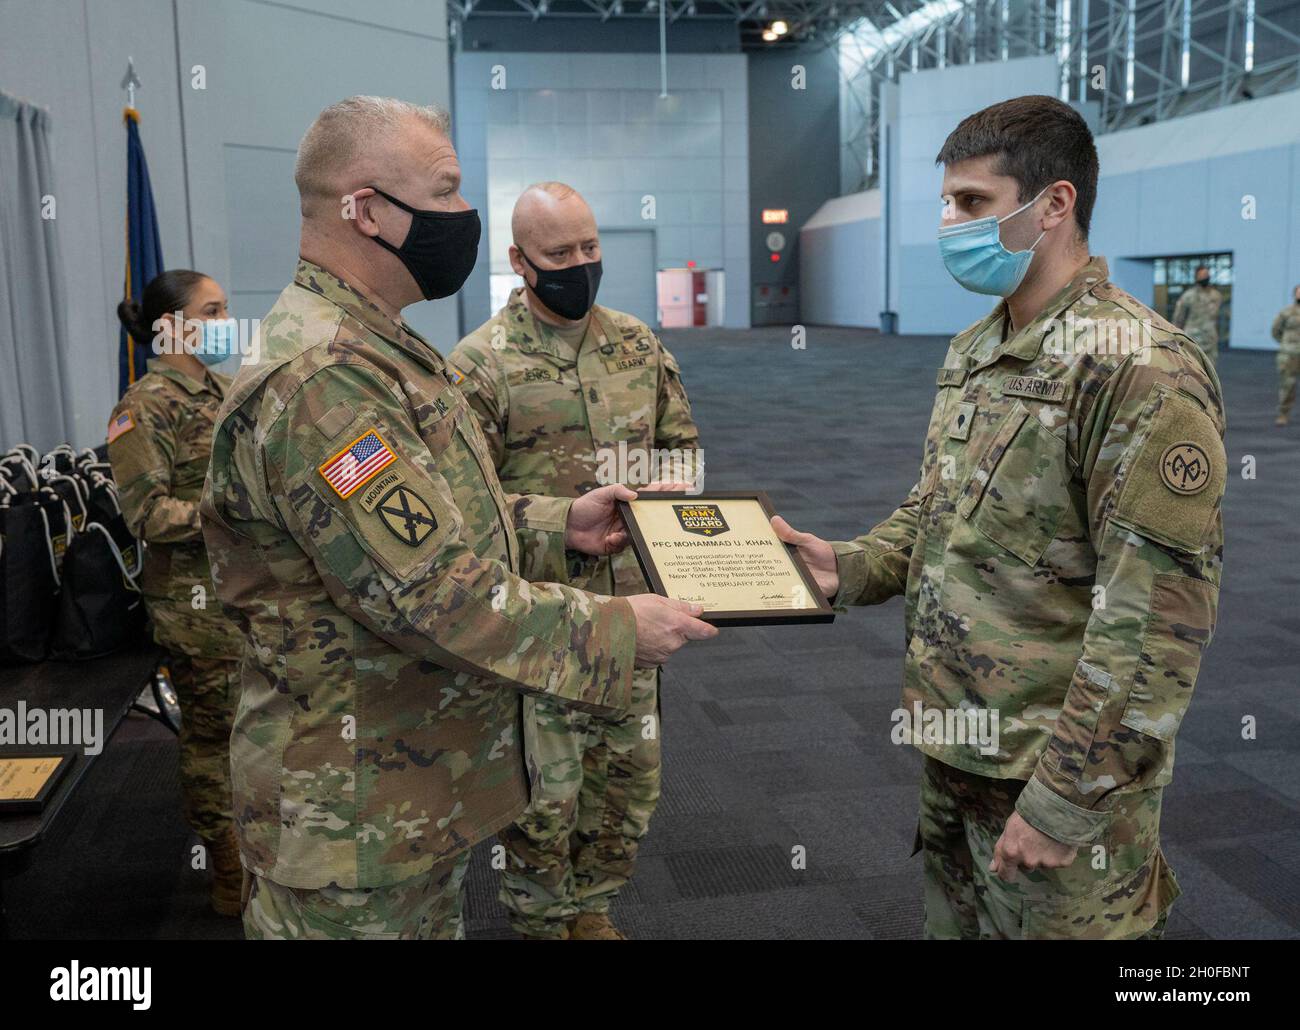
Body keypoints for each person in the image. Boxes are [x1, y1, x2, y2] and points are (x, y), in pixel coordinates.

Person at [199, 96, 715, 940]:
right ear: (365, 210)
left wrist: (559, 523)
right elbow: (428, 592)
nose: (462, 216)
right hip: (352, 816)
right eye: (444, 191)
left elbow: (427, 526)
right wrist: (617, 631)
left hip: (403, 790)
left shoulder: (377, 349)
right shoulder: (327, 380)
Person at [774, 95, 1226, 939]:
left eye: (973, 203)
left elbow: (1156, 620)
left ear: (1054, 204)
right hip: (958, 751)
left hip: (1052, 776)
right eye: (945, 202)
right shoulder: (979, 348)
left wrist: (1065, 798)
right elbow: (936, 515)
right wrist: (847, 564)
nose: (949, 222)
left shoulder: (1140, 368)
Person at [450, 182, 701, 940]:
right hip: (541, 626)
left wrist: (673, 489)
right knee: (543, 799)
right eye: (560, 253)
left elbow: (685, 451)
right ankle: (539, 919)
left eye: (590, 248)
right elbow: (466, 515)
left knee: (628, 787)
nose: (581, 264)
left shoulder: (639, 345)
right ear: (519, 261)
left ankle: (592, 908)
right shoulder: (479, 367)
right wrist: (564, 522)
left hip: (634, 615)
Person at [108, 269, 244, 916]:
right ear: (171, 326)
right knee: (214, 740)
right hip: (197, 610)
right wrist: (224, 514)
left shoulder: (224, 390)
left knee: (259, 735)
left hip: (248, 595)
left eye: (225, 309)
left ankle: (264, 852)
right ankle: (226, 865)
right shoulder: (143, 408)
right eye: (212, 310)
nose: (224, 321)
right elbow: (145, 515)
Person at [1172, 265, 1224, 366]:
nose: (1205, 277)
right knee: (1191, 369)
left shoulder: (1216, 296)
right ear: (1196, 278)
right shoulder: (1188, 296)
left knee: (1210, 369)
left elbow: (1215, 318)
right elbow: (1178, 318)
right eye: (1202, 275)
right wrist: (1176, 337)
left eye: (1206, 275)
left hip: (1210, 339)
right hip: (1192, 339)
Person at [1271, 284, 1300, 426]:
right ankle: (1283, 414)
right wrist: (1286, 344)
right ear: (1294, 294)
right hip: (1289, 354)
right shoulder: (1286, 313)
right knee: (1287, 385)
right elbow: (1276, 330)